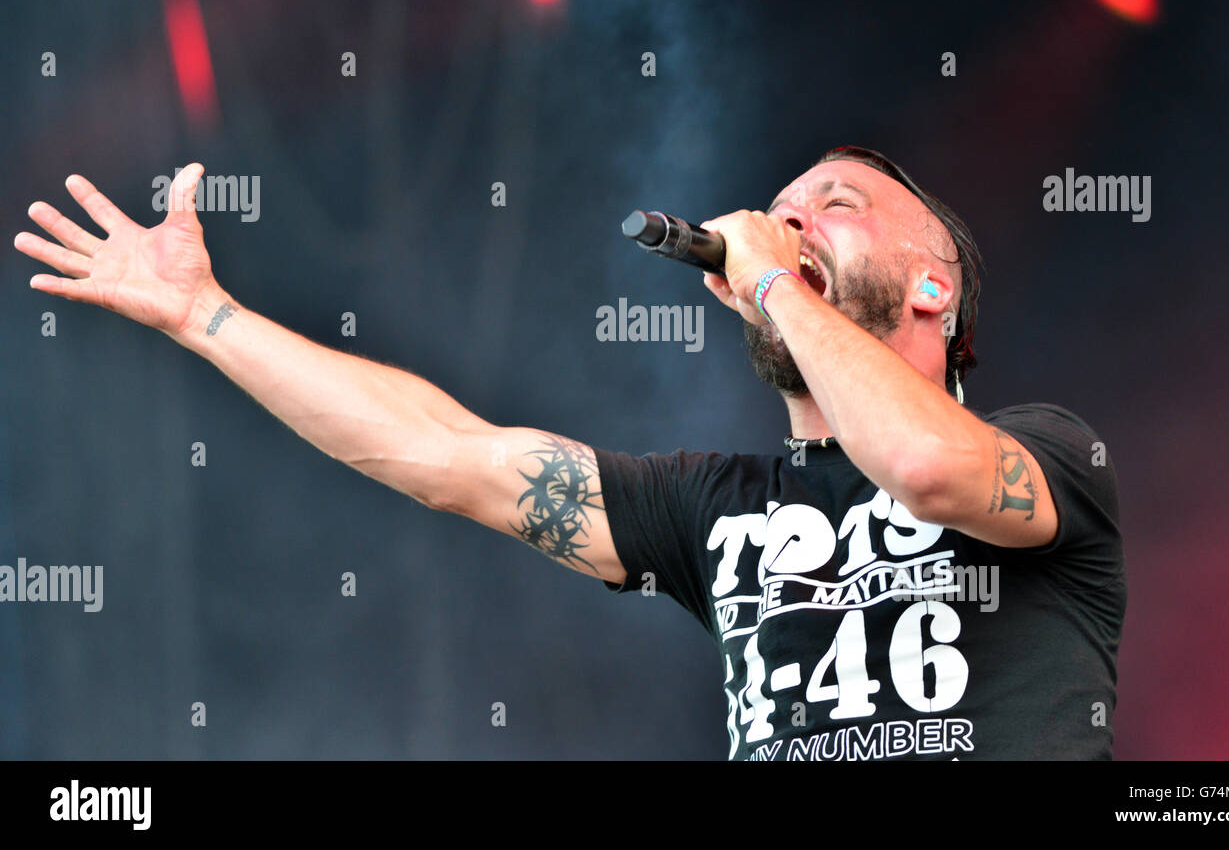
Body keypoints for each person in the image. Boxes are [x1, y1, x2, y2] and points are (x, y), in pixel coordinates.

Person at [13, 146, 1124, 760]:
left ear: (934, 284)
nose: (785, 222)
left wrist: (774, 280)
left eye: (833, 206)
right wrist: (205, 317)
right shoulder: (713, 507)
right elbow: (451, 456)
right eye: (775, 211)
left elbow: (927, 470)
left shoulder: (1049, 452)